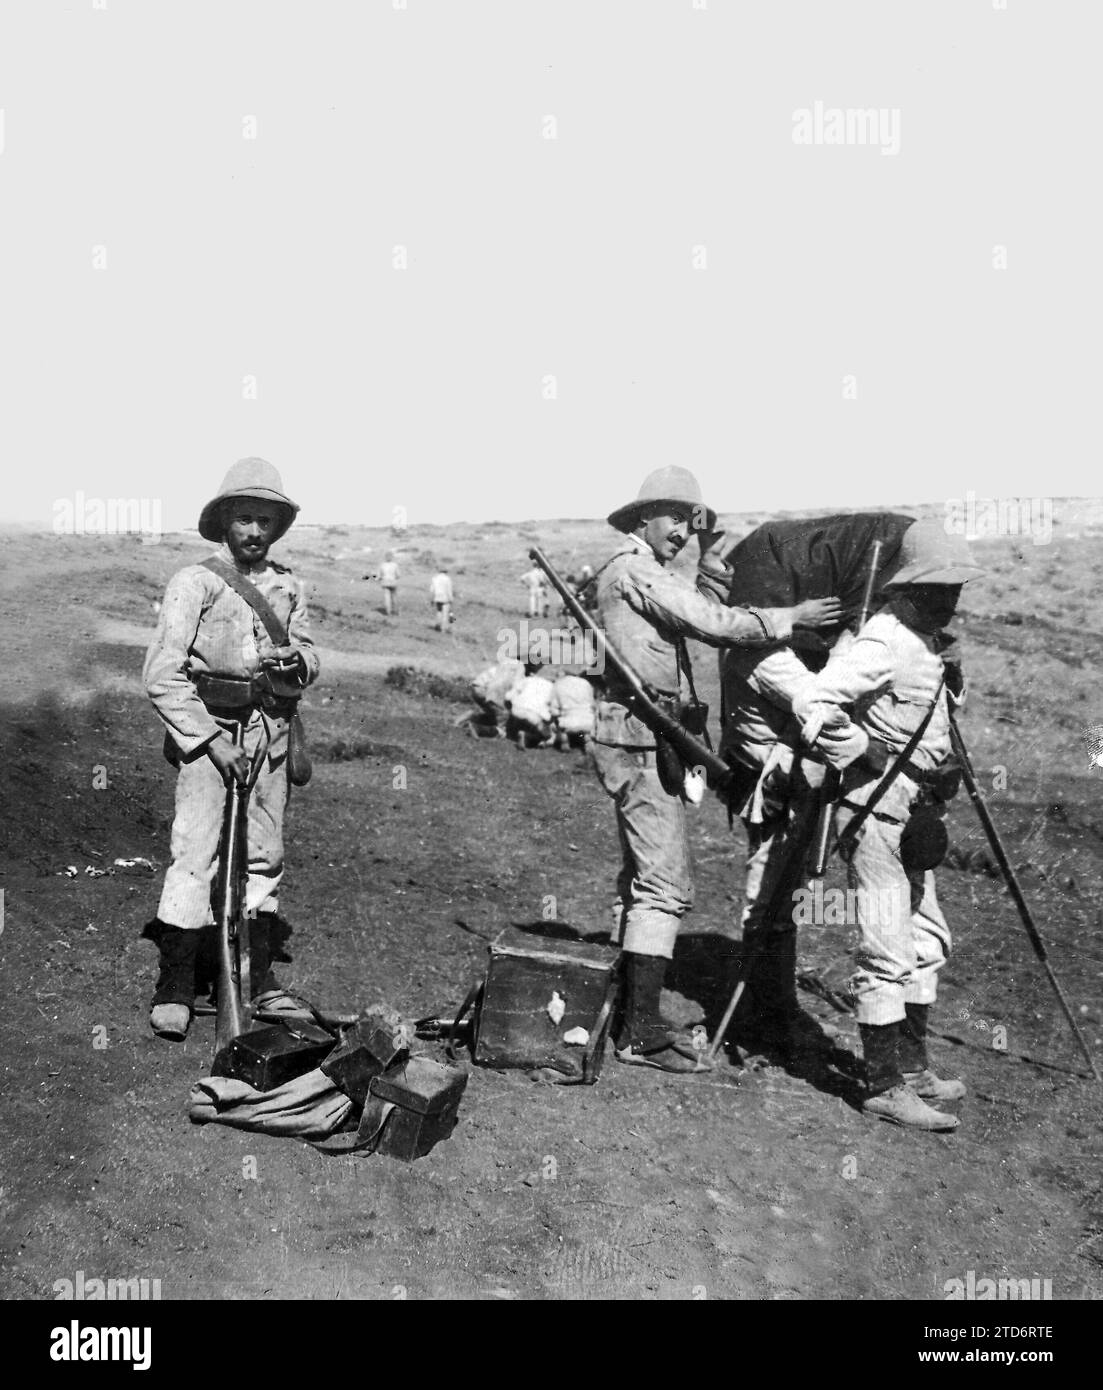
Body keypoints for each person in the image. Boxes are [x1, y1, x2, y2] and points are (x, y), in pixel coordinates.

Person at [589, 466, 841, 1073]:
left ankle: (627, 1008)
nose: (682, 531)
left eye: (689, 520)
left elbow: (703, 608)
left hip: (650, 739)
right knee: (664, 885)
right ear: (640, 520)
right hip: (641, 741)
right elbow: (710, 625)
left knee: (646, 879)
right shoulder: (632, 569)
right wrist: (790, 617)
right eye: (673, 517)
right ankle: (640, 1031)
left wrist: (718, 586)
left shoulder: (645, 569)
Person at [795, 520, 984, 1130]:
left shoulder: (929, 643)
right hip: (874, 808)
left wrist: (954, 678)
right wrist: (858, 748)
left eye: (956, 587)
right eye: (940, 587)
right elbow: (816, 701)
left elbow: (934, 715)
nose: (950, 599)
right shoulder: (885, 640)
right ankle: (882, 1085)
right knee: (886, 943)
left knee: (928, 936)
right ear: (912, 588)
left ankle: (914, 1067)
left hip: (918, 811)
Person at [142, 458, 320, 1040]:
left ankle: (253, 978)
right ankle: (174, 988)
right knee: (197, 851)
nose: (254, 531)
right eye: (244, 518)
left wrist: (300, 660)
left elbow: (311, 650)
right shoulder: (194, 582)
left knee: (265, 853)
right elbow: (162, 675)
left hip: (270, 733)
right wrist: (212, 741)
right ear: (224, 522)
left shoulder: (289, 585)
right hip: (208, 734)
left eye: (265, 521)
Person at [470, 655, 525, 737]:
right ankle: (481, 729)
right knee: (503, 714)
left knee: (494, 714)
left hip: (477, 686)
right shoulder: (519, 667)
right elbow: (515, 686)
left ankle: (471, 718)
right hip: (485, 690)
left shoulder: (506, 663)